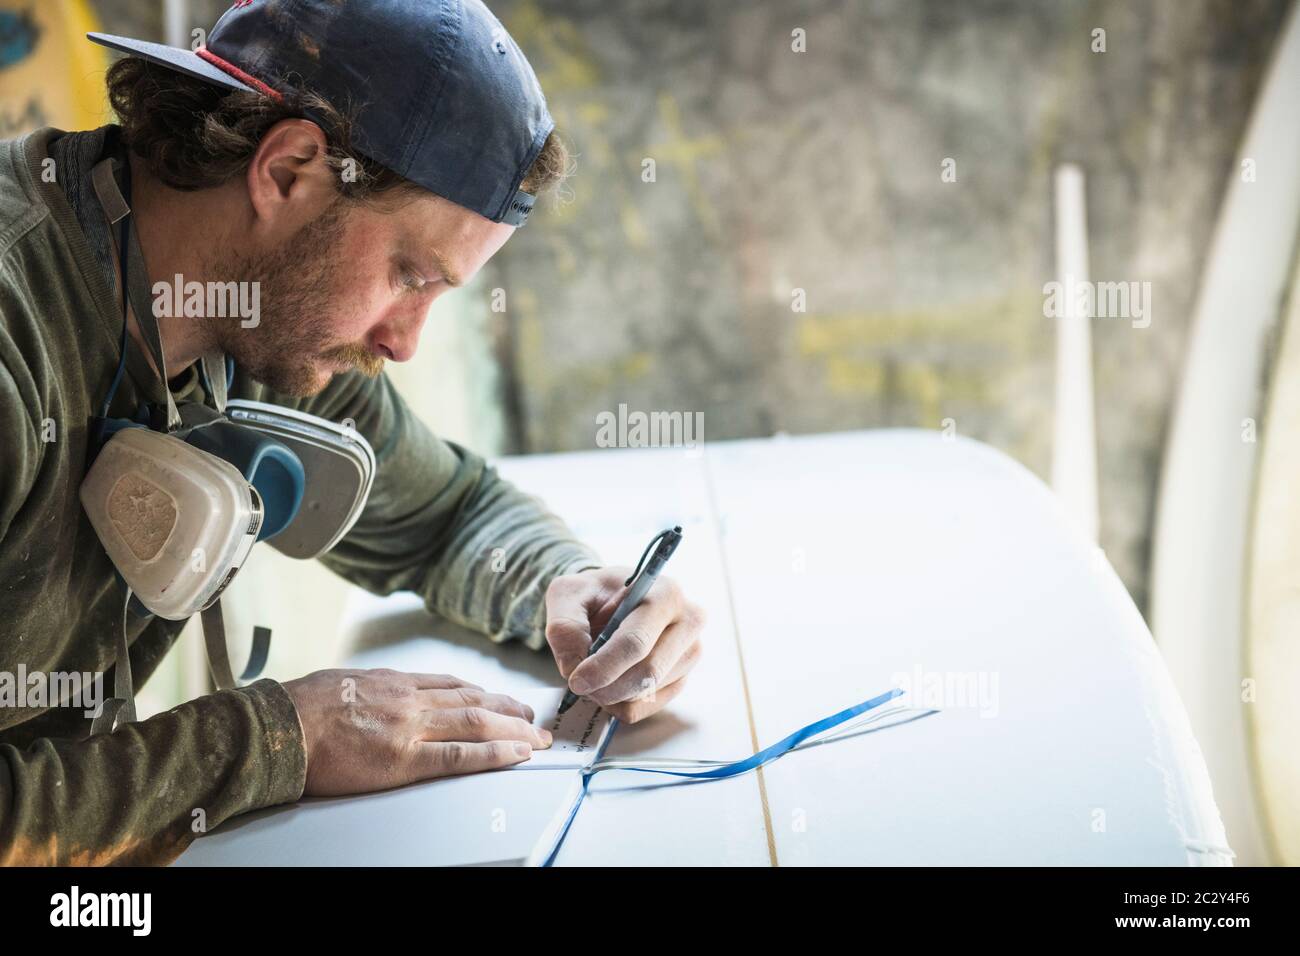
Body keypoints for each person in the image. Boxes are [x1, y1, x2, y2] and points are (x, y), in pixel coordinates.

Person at [0, 0, 704, 865]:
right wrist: (275, 740)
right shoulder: (16, 341)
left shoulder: (255, 323)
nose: (403, 344)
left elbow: (448, 516)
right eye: (408, 274)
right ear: (289, 170)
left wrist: (570, 590)